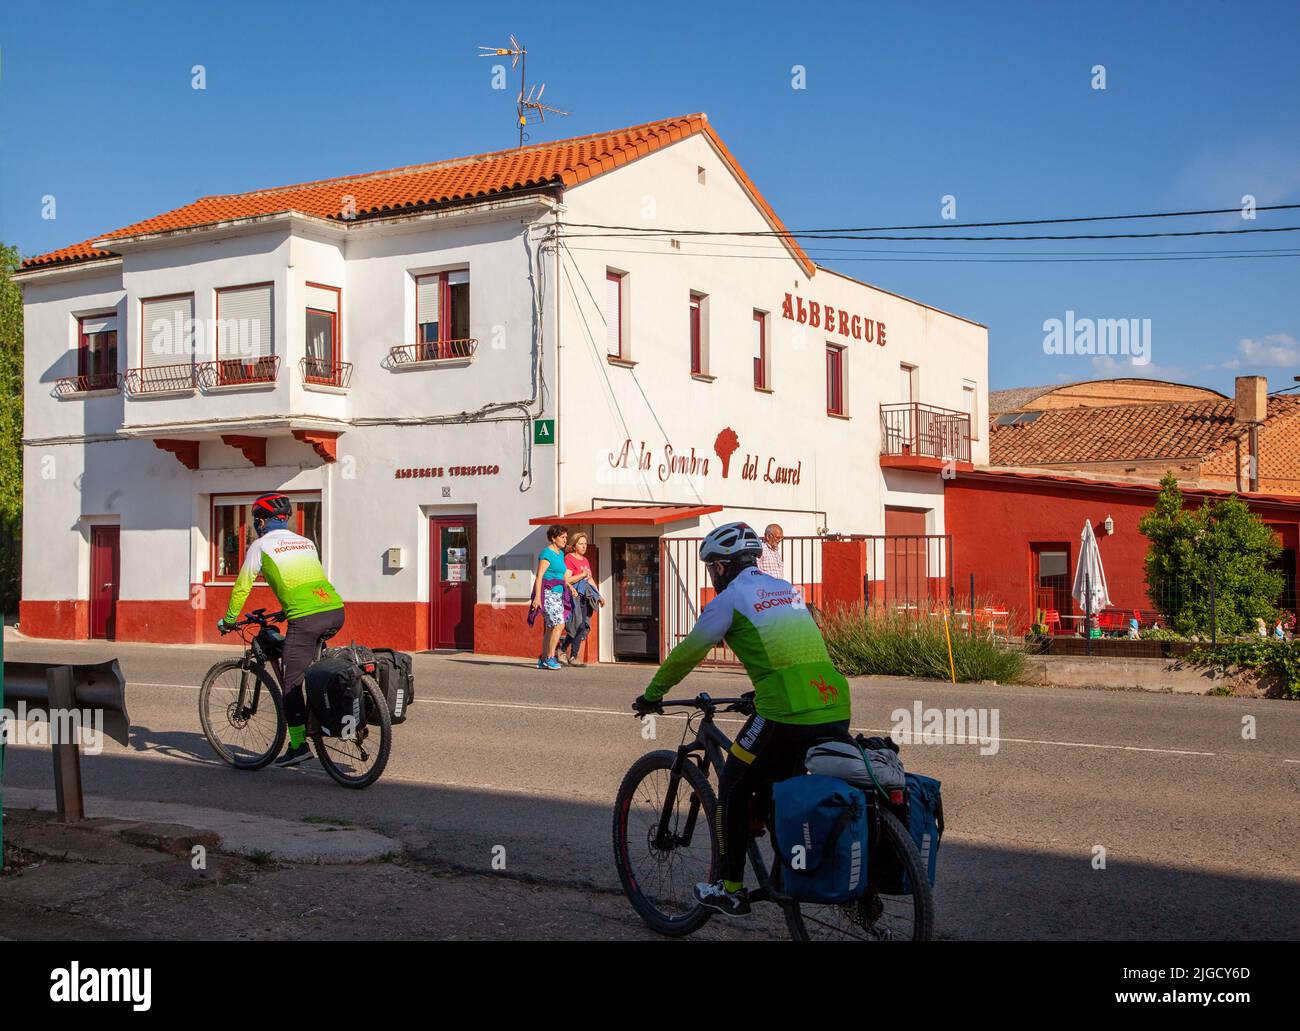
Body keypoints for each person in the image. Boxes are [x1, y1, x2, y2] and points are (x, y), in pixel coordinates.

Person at [633, 521, 850, 917]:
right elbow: (794, 653)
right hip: (834, 703)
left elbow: (688, 653)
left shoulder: (730, 599)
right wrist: (760, 691)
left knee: (732, 785)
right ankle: (788, 867)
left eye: (711, 567)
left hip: (786, 711)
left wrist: (653, 694)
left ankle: (729, 888)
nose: (712, 574)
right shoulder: (787, 590)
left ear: (721, 567)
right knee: (776, 781)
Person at [218, 492, 344, 768]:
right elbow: (309, 583)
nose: (255, 526)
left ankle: (298, 746)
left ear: (261, 522)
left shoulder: (261, 546)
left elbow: (242, 586)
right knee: (310, 668)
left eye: (255, 521)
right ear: (284, 519)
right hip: (334, 611)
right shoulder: (306, 542)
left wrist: (228, 620)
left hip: (307, 618)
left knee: (291, 682)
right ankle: (319, 712)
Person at [532, 525, 577, 670]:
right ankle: (551, 657)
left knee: (552, 627)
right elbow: (539, 576)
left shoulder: (560, 554)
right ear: (553, 538)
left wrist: (569, 587)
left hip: (558, 594)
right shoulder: (547, 553)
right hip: (547, 593)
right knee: (559, 624)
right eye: (562, 537)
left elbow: (561, 576)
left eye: (565, 537)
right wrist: (537, 597)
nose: (565, 540)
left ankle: (543, 659)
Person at [559, 530, 604, 666]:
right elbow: (567, 579)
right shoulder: (569, 558)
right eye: (581, 544)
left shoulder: (585, 560)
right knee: (576, 624)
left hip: (585, 596)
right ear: (574, 545)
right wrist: (582, 574)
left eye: (585, 543)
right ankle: (562, 649)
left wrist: (598, 595)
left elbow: (589, 579)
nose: (584, 546)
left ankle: (573, 656)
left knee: (582, 625)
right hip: (573, 596)